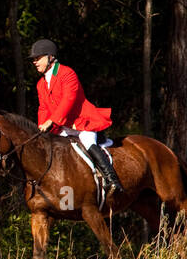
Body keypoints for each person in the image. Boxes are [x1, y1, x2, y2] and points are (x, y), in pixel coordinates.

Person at [30, 39, 124, 195]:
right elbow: (43, 108)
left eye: (38, 58)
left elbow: (68, 100)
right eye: (33, 59)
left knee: (88, 142)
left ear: (50, 57)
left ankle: (112, 181)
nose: (34, 62)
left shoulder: (67, 73)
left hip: (82, 123)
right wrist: (41, 127)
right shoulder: (40, 84)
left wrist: (51, 121)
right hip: (62, 127)